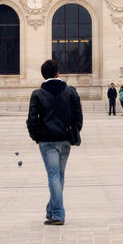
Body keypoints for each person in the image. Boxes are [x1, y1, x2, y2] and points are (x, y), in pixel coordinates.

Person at [26, 58, 83, 226]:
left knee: (53, 175)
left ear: (44, 75)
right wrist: (74, 131)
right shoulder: (71, 92)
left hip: (47, 140)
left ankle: (57, 213)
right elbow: (78, 116)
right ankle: (51, 210)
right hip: (65, 139)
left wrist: (36, 135)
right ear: (58, 73)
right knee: (59, 175)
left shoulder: (37, 94)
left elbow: (31, 119)